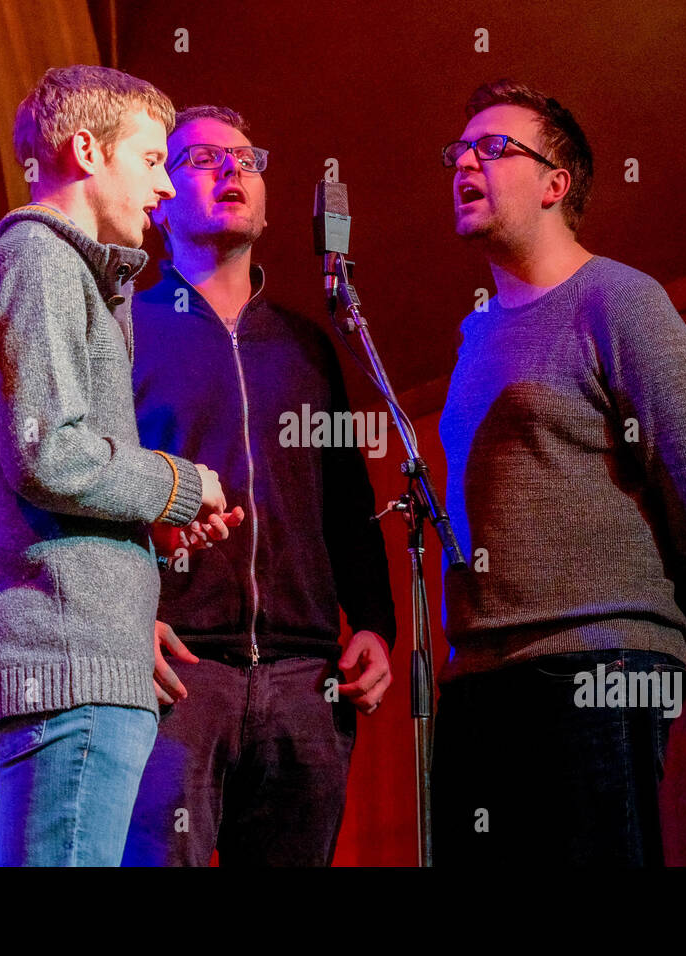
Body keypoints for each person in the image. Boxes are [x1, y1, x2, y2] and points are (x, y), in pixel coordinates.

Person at [431, 79, 686, 866]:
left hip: (600, 662)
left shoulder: (619, 301)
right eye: (459, 150)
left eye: (494, 147)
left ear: (555, 184)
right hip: (478, 679)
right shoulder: (474, 336)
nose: (467, 159)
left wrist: (683, 633)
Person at [0, 65, 239, 866]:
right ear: (85, 150)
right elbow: (50, 453)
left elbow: (45, 472)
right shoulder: (41, 261)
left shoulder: (60, 270)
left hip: (54, 662)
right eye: (150, 160)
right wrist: (181, 485)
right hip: (62, 671)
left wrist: (141, 535)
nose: (166, 189)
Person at [121, 105, 397, 866]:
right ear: (162, 197)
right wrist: (123, 620)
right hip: (179, 675)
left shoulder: (309, 343)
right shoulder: (126, 329)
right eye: (203, 159)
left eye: (246, 158)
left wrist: (374, 621)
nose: (232, 170)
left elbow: (344, 501)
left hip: (307, 682)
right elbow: (98, 493)